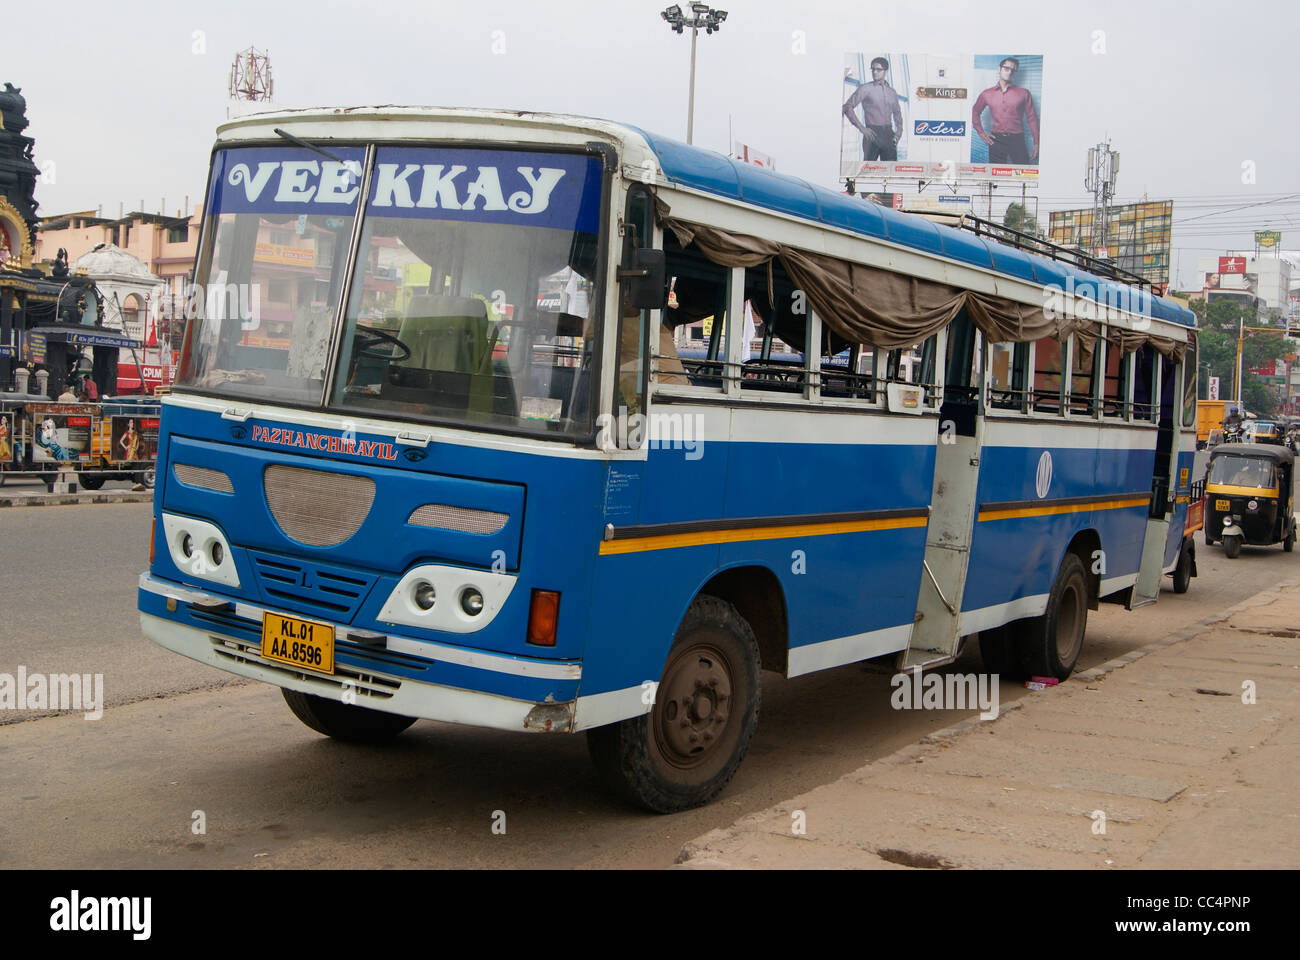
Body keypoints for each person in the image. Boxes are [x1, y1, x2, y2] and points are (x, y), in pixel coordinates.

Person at [971, 57, 1039, 164]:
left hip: (1017, 139)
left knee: (1023, 173)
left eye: (1013, 70)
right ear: (999, 69)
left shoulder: (1024, 93)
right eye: (1007, 68)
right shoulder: (987, 94)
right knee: (995, 175)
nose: (1010, 72)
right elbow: (975, 112)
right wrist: (981, 132)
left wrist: (1036, 142)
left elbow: (1032, 118)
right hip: (995, 139)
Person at [843, 57, 904, 162]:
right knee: (867, 171)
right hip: (872, 133)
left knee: (890, 171)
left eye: (878, 69)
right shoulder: (865, 88)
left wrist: (898, 134)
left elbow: (897, 114)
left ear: (886, 71)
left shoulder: (892, 92)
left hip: (889, 134)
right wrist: (862, 128)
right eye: (873, 69)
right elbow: (847, 107)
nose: (875, 72)